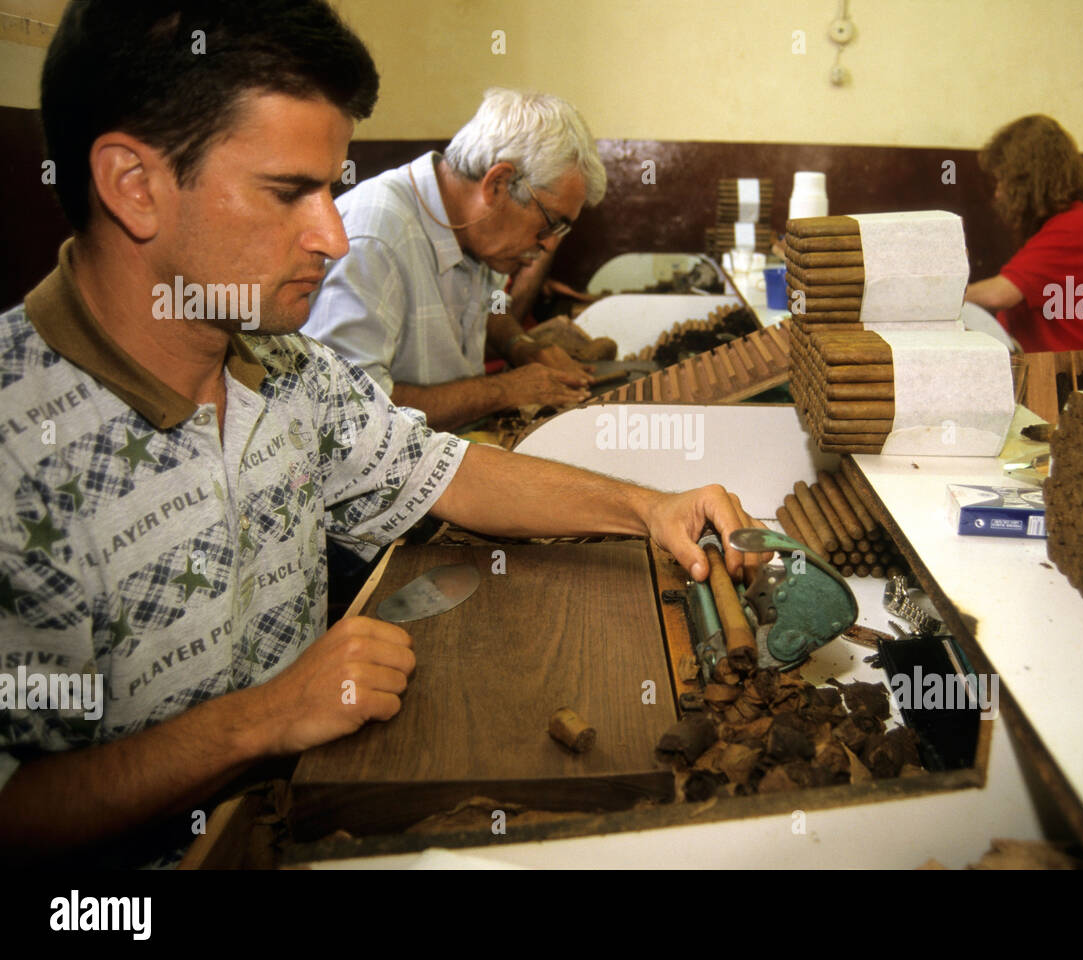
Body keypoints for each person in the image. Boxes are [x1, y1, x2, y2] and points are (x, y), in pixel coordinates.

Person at [0, 0, 761, 867]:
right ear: (134, 185)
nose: (332, 233)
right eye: (290, 192)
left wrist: (650, 506)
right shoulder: (19, 448)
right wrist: (266, 718)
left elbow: (450, 474)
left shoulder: (286, 367)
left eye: (331, 188)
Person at [302, 89, 601, 431]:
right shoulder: (376, 238)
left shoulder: (477, 232)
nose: (548, 245)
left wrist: (521, 346)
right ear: (498, 183)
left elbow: (489, 309)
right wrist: (503, 390)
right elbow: (349, 411)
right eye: (551, 224)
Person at [964, 115, 1083, 352]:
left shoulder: (1074, 227)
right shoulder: (1079, 222)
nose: (998, 193)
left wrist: (947, 296)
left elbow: (999, 294)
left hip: (1062, 370)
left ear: (1029, 180)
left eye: (1003, 181)